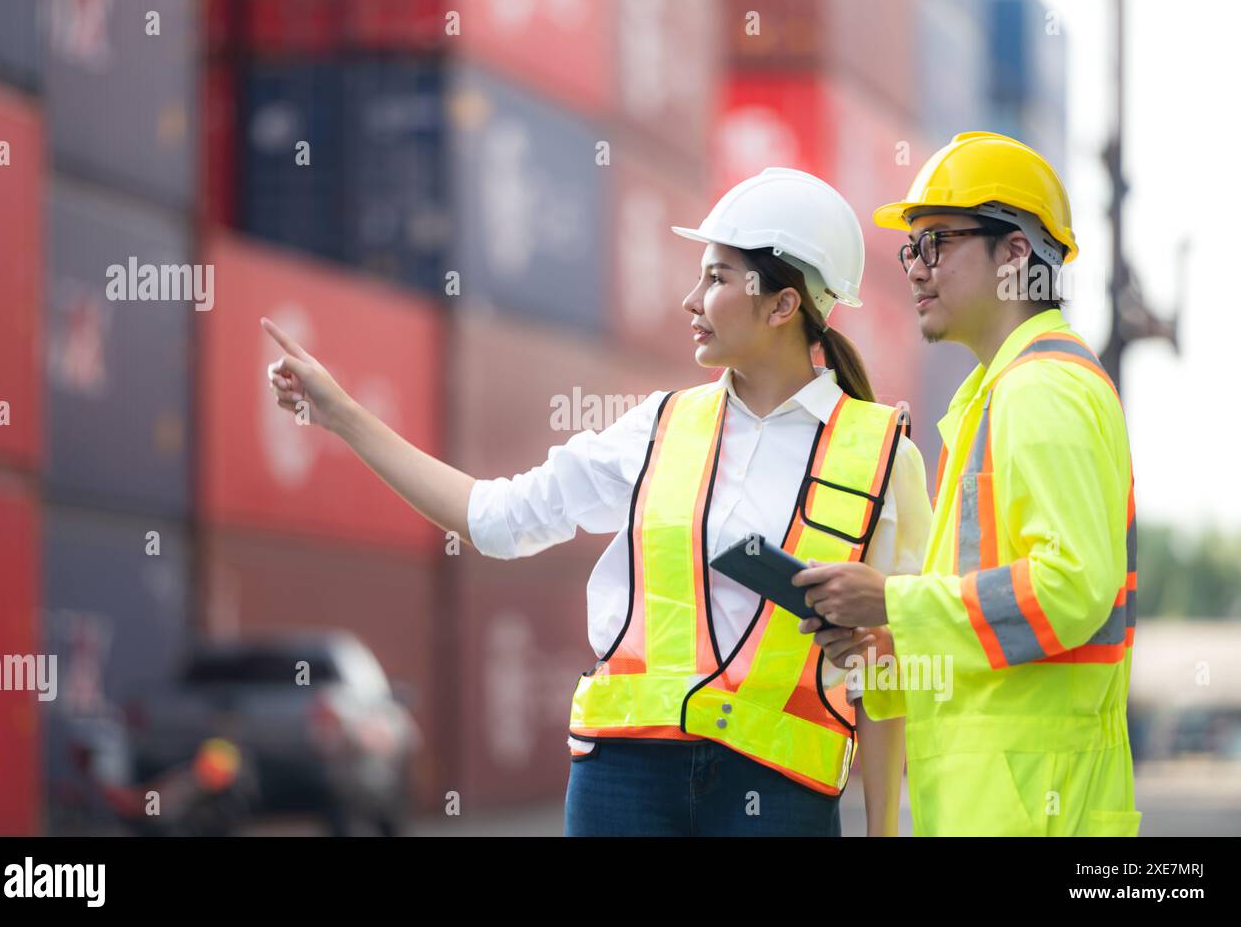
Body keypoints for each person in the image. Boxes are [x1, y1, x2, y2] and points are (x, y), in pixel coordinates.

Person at [262, 167, 933, 837]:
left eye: (718, 278)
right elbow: (496, 521)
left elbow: (889, 665)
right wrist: (342, 416)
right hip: (624, 781)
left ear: (783, 305)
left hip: (778, 795)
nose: (690, 300)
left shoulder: (882, 457)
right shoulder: (658, 426)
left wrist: (883, 831)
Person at [790, 132, 1141, 836]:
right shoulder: (997, 397)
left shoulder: (1042, 391)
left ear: (1015, 255)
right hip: (1002, 803)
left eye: (937, 243)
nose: (915, 270)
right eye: (911, 249)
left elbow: (1071, 587)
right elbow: (988, 634)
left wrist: (890, 599)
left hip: (1038, 806)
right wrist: (879, 654)